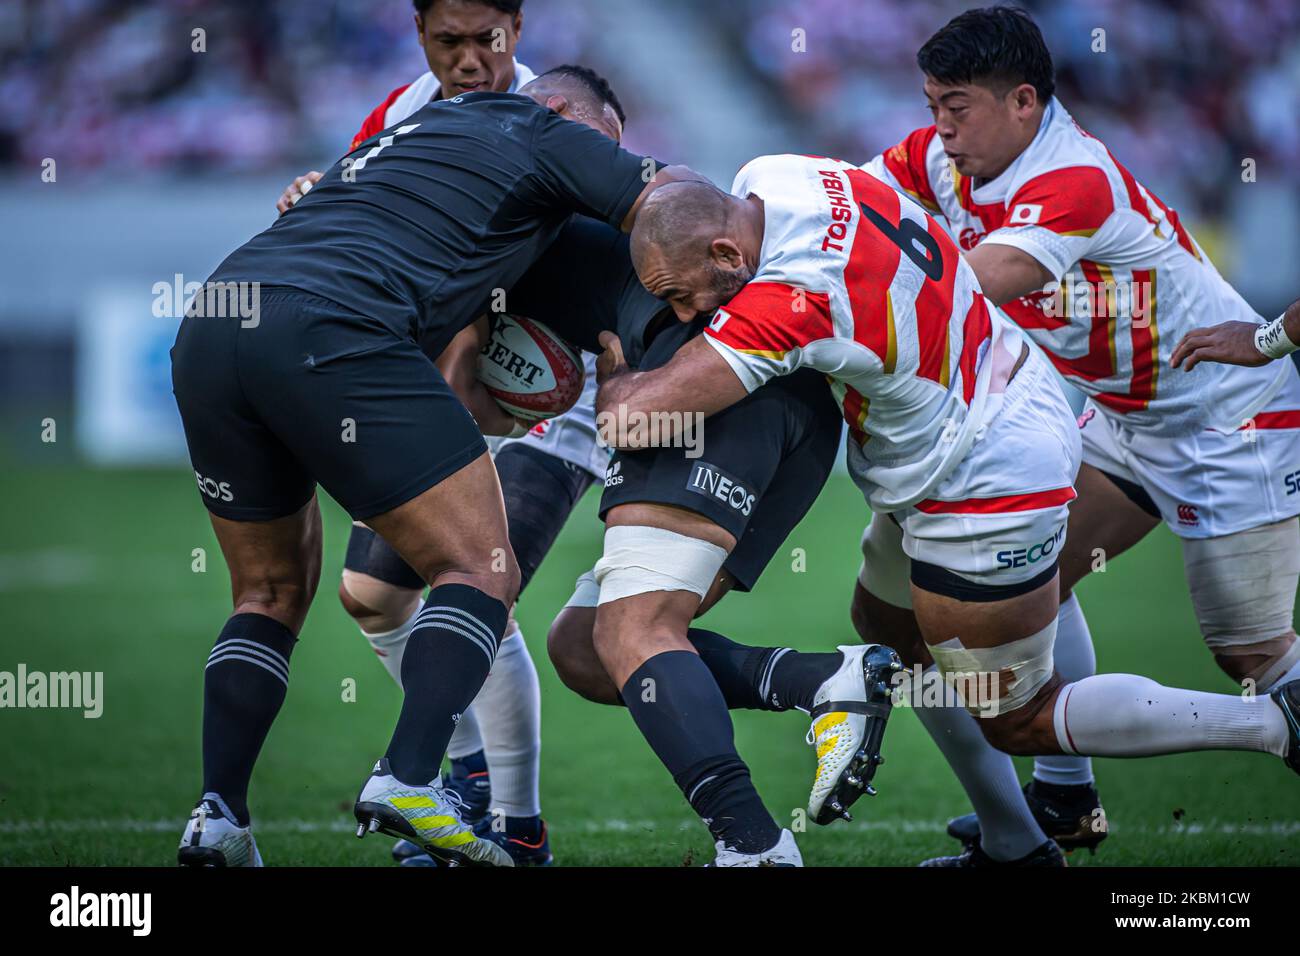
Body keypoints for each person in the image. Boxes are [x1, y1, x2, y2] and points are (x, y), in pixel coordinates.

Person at [602, 154, 1300, 867]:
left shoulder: (794, 297)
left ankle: (1275, 725)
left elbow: (631, 420)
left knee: (1019, 717)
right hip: (992, 393)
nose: (687, 315)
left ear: (727, 250)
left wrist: (618, 374)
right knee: (889, 629)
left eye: (683, 295)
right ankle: (1015, 845)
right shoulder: (781, 172)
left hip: (984, 476)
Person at [172, 65, 701, 866]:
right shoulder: (542, 132)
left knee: (268, 592)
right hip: (334, 330)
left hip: (216, 321)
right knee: (482, 567)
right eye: (604, 148)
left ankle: (219, 818)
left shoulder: (402, 142)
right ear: (561, 114)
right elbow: (681, 206)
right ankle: (414, 778)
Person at [854, 5, 1300, 863]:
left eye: (959, 108)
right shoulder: (934, 156)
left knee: (1252, 654)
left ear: (1025, 102)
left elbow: (953, 294)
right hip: (1128, 416)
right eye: (932, 105)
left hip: (1228, 415)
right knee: (1029, 585)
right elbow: (851, 203)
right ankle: (1064, 805)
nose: (940, 129)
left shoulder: (1073, 180)